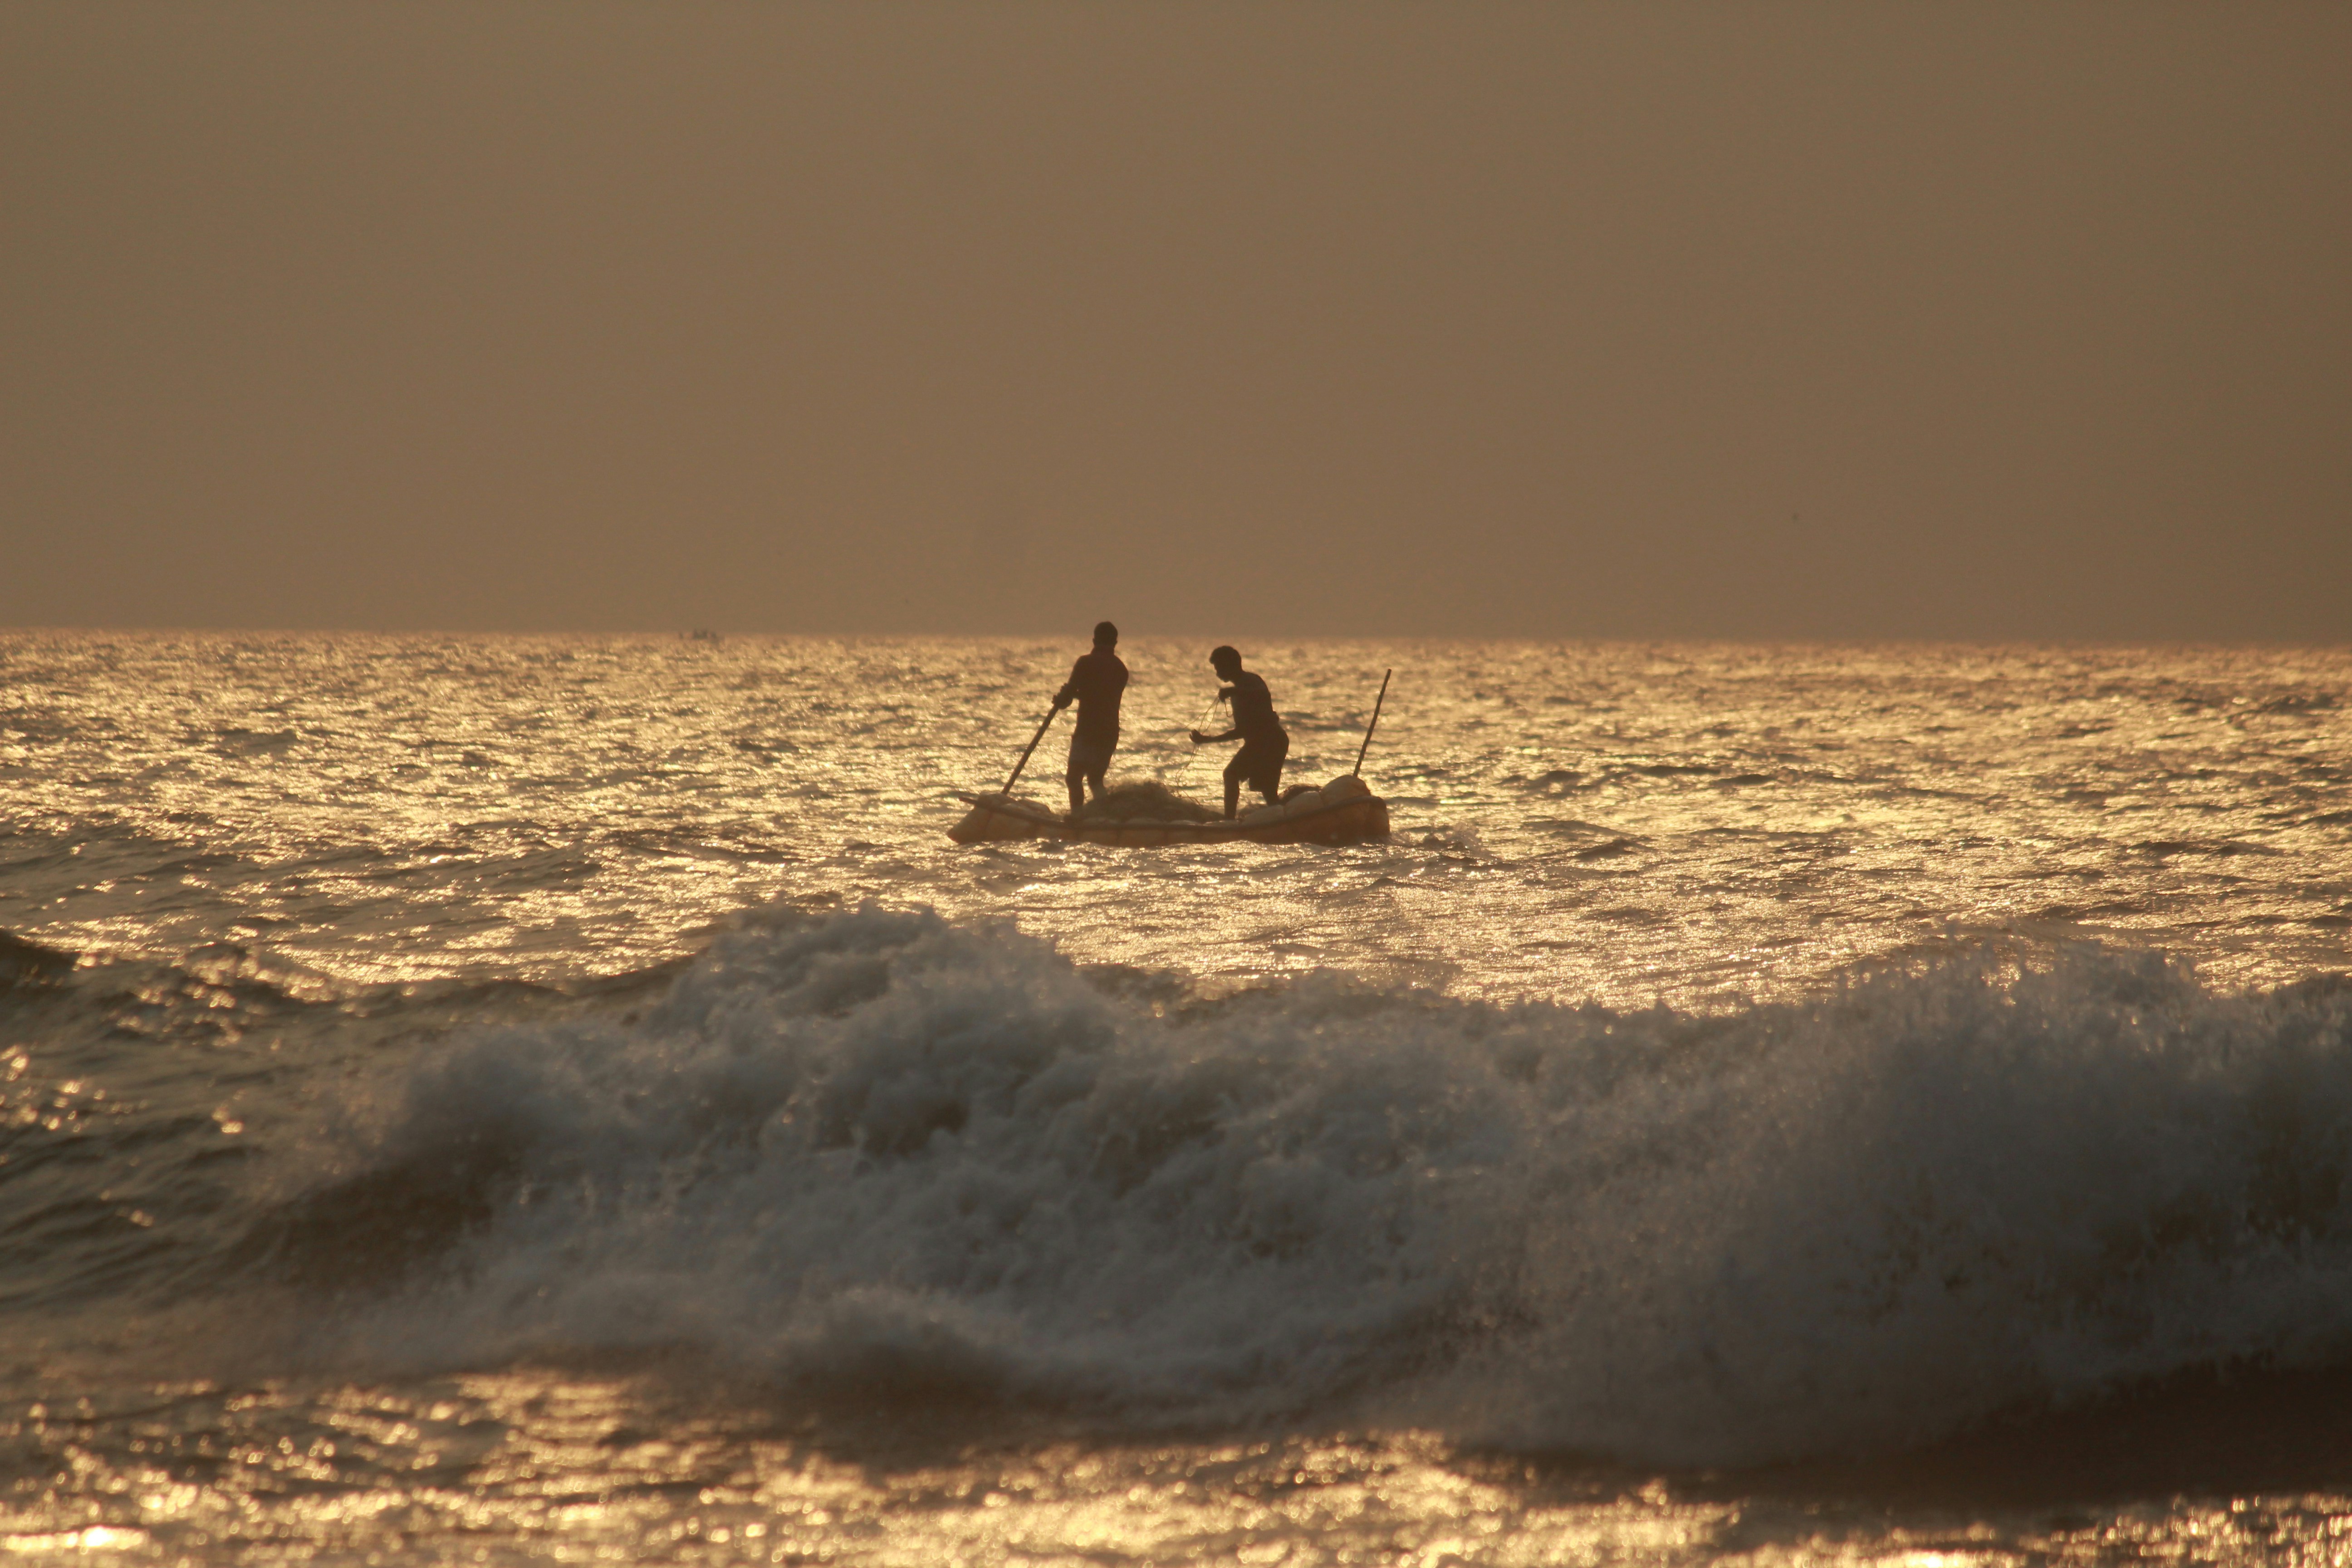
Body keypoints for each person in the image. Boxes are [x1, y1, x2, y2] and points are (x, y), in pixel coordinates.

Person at [1189, 645, 1289, 818]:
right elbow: (1240, 731)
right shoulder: (1238, 691)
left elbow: (1260, 693)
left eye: (1219, 667)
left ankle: (1229, 821)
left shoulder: (1250, 681)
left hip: (1271, 741)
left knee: (1233, 775)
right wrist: (1207, 740)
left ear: (1230, 665)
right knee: (1266, 791)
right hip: (1260, 743)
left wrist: (1235, 691)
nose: (1217, 672)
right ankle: (1281, 820)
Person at [1052, 621, 1128, 818]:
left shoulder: (1085, 663)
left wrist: (1063, 699)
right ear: (1116, 642)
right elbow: (1101, 694)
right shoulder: (1121, 669)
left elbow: (1068, 699)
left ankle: (1077, 819)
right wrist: (1077, 695)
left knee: (1073, 779)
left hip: (1088, 731)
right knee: (1095, 781)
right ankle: (1105, 818)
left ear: (1094, 640)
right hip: (1110, 732)